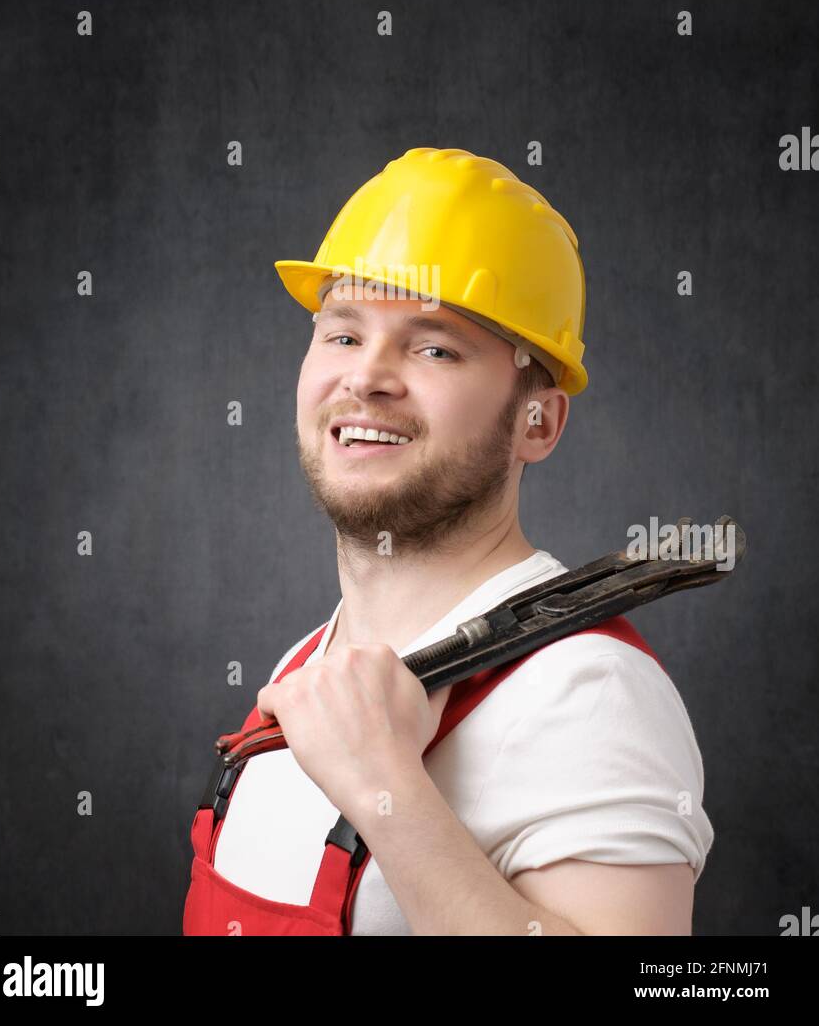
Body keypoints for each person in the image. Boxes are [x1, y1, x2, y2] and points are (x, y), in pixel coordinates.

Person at [183, 146, 713, 936]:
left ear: (539, 422)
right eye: (342, 334)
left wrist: (385, 790)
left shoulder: (587, 693)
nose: (367, 379)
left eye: (435, 347)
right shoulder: (302, 671)